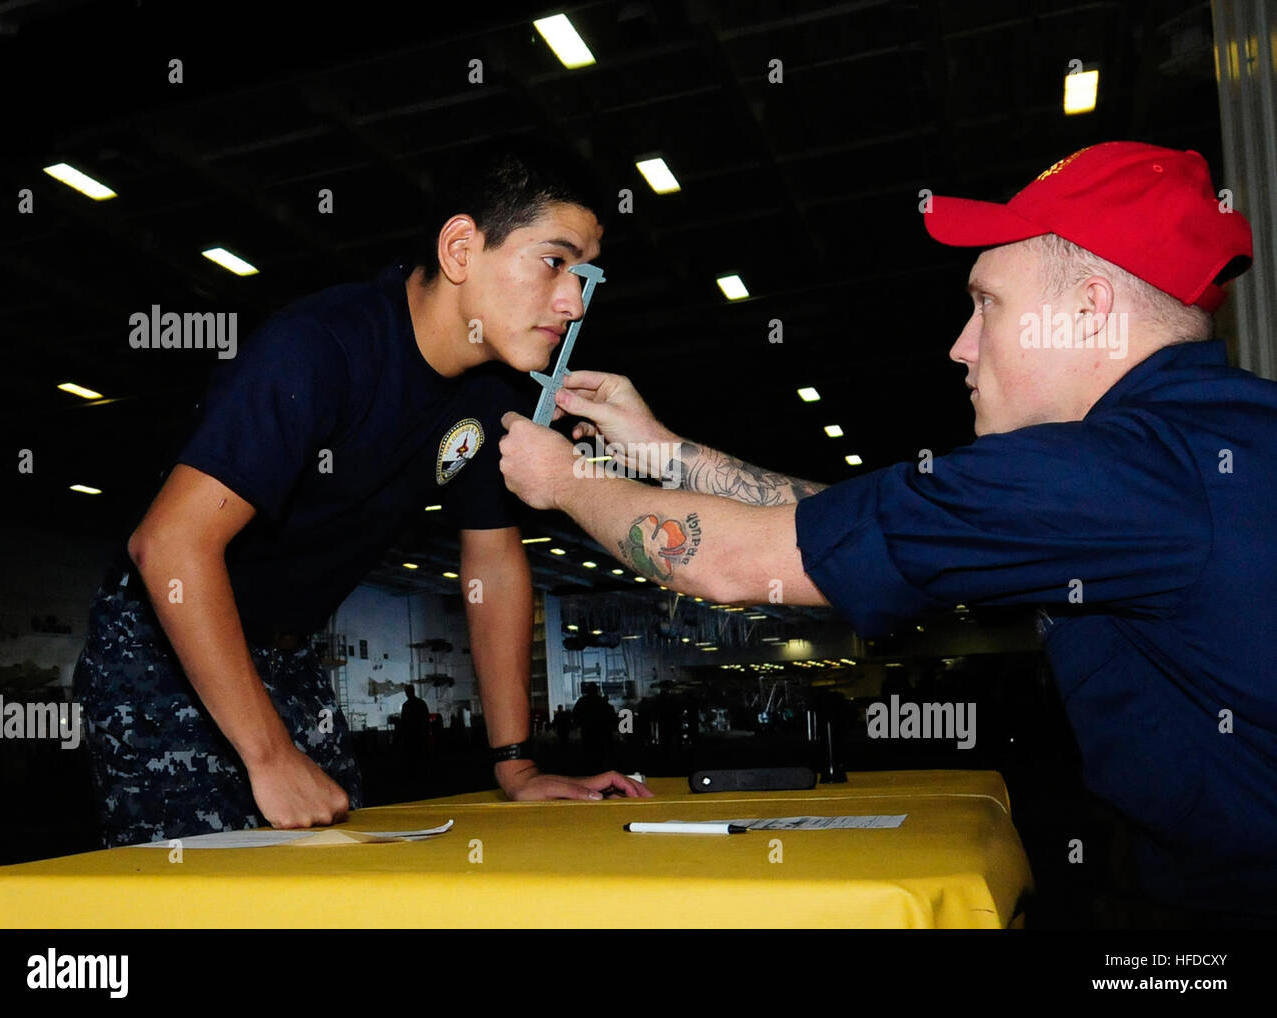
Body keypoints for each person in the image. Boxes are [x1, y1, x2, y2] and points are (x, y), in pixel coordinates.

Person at [497, 141, 1277, 921]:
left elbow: (731, 563)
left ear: (1090, 309)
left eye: (988, 304)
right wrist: (665, 453)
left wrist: (567, 480)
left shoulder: (1104, 472)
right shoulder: (1201, 442)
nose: (961, 346)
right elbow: (846, 527)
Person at [74, 140, 651, 849]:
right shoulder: (319, 348)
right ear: (461, 249)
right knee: (197, 897)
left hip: (290, 656)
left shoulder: (493, 392)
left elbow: (494, 564)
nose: (574, 300)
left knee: (338, 875)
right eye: (555, 262)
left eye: (586, 275)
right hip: (163, 648)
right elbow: (169, 542)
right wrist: (268, 753)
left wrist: (516, 763)